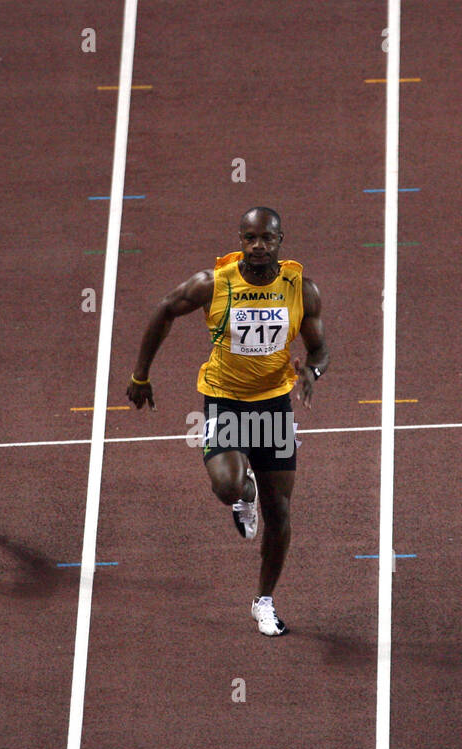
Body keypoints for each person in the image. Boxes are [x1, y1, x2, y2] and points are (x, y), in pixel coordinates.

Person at [127, 207, 328, 636]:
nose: (258, 246)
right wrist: (140, 375)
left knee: (280, 512)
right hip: (225, 400)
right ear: (239, 240)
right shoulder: (215, 284)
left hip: (274, 405)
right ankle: (244, 490)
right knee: (227, 485)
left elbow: (320, 350)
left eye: (266, 239)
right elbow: (165, 310)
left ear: (280, 241)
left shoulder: (300, 290)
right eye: (250, 238)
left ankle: (264, 600)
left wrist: (312, 372)